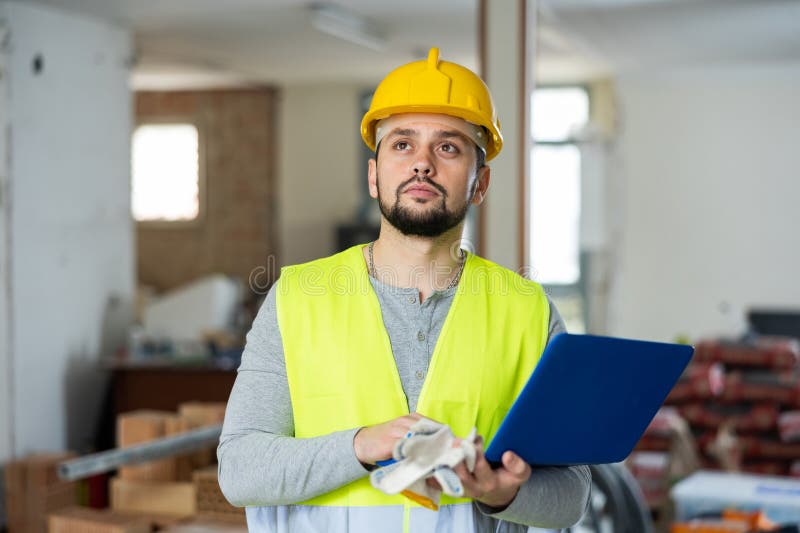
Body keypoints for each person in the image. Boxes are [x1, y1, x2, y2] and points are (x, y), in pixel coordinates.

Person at [218, 47, 591, 532]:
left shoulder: (527, 311)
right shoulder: (296, 299)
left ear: (481, 184)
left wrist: (507, 494)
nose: (422, 164)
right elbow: (240, 470)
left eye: (449, 147)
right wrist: (361, 445)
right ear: (374, 176)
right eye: (401, 144)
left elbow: (574, 494)